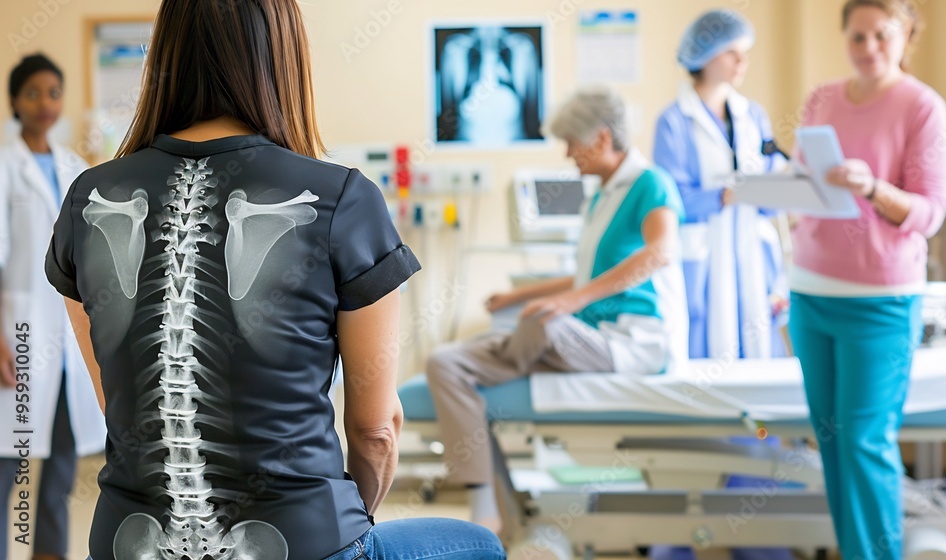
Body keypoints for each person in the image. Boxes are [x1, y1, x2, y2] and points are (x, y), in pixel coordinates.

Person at [42, 2, 504, 559]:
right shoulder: (343, 200)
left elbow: (117, 400)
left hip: (127, 540)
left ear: (165, 55)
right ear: (282, 56)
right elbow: (377, 431)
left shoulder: (88, 200)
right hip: (301, 540)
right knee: (477, 544)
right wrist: (342, 530)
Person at [426, 84, 688, 534]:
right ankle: (485, 504)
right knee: (444, 363)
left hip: (630, 341)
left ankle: (507, 357)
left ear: (602, 139)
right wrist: (519, 296)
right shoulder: (602, 195)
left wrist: (569, 302)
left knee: (539, 322)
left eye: (572, 143)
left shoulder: (650, 183)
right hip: (583, 337)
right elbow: (585, 273)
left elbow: (660, 252)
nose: (569, 155)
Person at [789, 1, 946, 558]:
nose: (869, 49)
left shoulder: (922, 106)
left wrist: (872, 188)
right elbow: (801, 180)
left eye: (881, 36)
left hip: (880, 301)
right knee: (832, 447)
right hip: (811, 290)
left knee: (864, 443)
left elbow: (930, 211)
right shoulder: (822, 98)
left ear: (906, 33)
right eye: (857, 37)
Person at [0, 54, 107, 560]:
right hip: (17, 333)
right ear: (15, 101)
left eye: (54, 93)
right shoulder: (4, 165)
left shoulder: (74, 168)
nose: (45, 103)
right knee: (8, 464)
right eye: (33, 93)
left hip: (66, 336)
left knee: (60, 467)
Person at [653, 9, 788, 361]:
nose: (743, 61)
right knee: (705, 339)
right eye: (732, 52)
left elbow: (772, 185)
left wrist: (787, 185)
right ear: (704, 55)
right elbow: (672, 201)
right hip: (703, 252)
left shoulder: (752, 115)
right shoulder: (673, 122)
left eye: (745, 51)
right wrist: (726, 195)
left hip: (753, 249)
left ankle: (760, 418)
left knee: (759, 339)